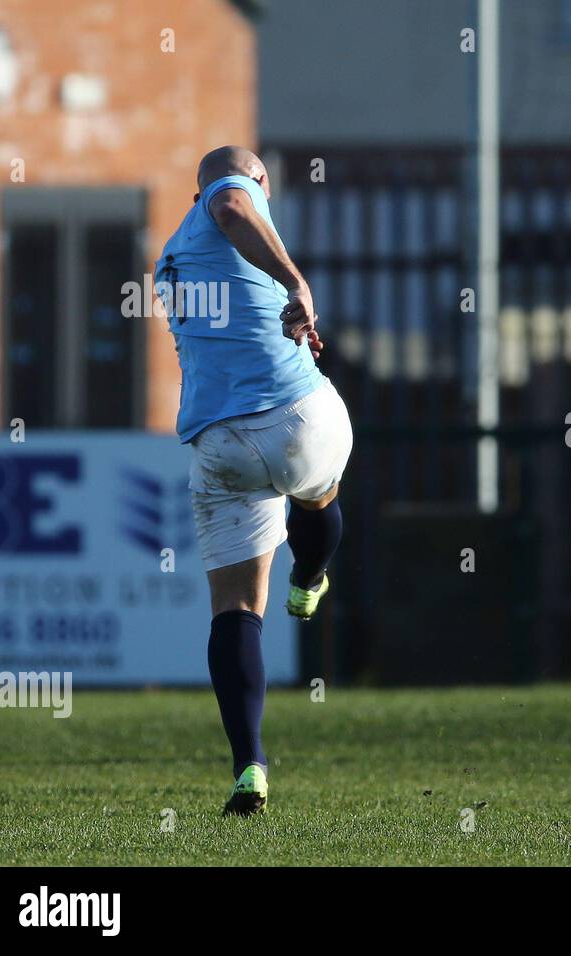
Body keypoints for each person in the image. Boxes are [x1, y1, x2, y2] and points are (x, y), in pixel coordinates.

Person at [155, 146, 354, 814]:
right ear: (258, 180)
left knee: (236, 609)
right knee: (319, 496)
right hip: (296, 413)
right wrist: (297, 284)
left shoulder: (171, 257)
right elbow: (236, 203)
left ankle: (250, 767)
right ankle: (310, 578)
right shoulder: (238, 194)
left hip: (221, 444)